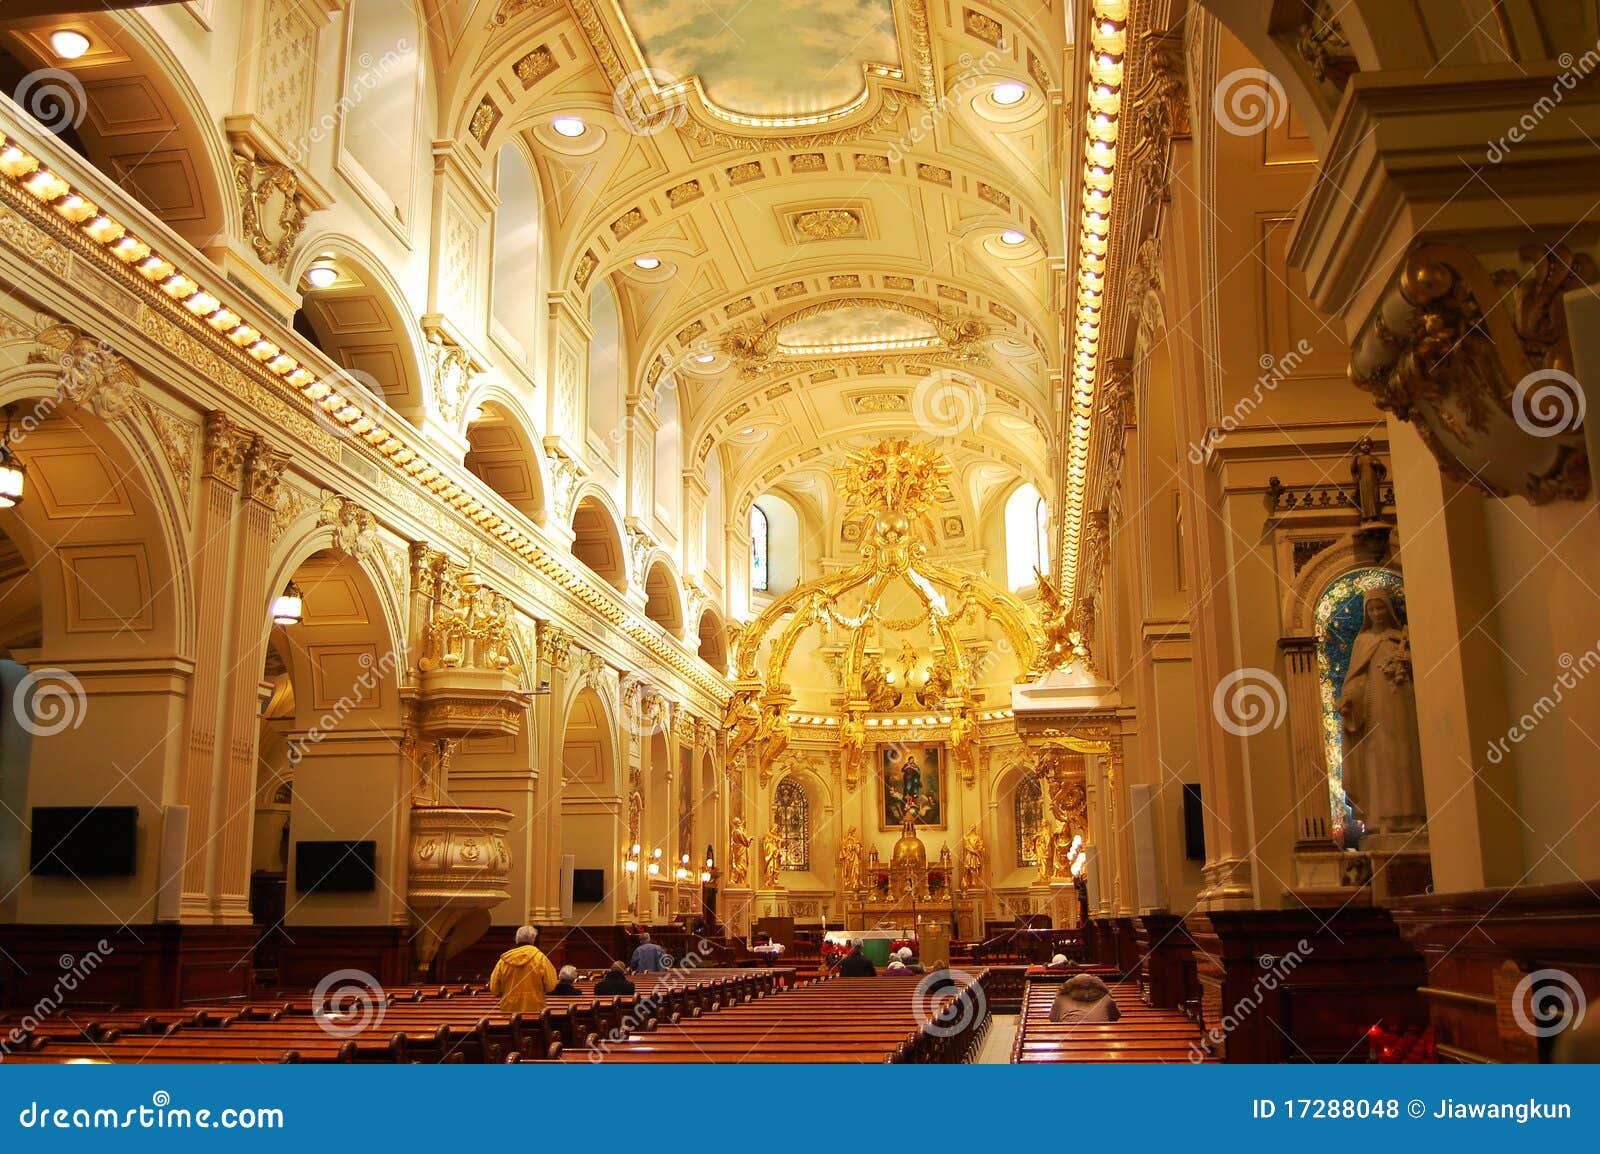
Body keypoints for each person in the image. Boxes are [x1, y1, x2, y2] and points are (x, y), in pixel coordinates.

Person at [488, 925, 558, 1014]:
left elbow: (494, 989)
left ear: (516, 939)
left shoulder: (503, 961)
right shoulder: (540, 958)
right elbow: (551, 986)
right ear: (533, 939)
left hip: (509, 1010)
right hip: (535, 1008)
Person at [1049, 973, 1121, 1024]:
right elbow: (1115, 1017)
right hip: (1101, 1037)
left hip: (1069, 1038)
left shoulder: (1061, 999)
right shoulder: (1106, 999)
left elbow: (1053, 1019)